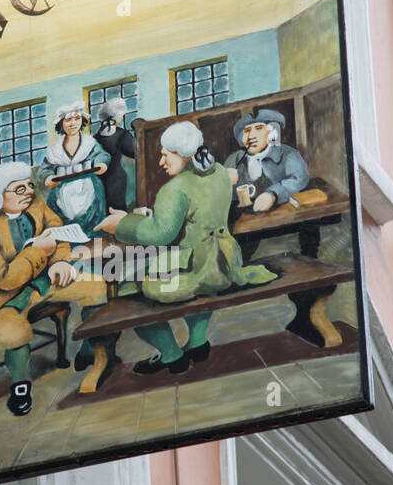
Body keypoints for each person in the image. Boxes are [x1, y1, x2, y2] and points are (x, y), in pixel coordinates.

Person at [96, 121, 276, 375]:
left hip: (196, 271)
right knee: (191, 283)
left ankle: (171, 355)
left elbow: (161, 234)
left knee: (127, 287)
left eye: (165, 155)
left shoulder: (175, 189)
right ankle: (198, 342)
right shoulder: (220, 175)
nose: (161, 162)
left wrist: (121, 224)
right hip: (224, 266)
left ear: (181, 154)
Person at [0, 162, 108, 416]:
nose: (28, 192)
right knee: (11, 331)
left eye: (29, 186)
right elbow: (5, 279)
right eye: (18, 189)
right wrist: (38, 252)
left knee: (97, 286)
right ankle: (20, 386)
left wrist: (61, 262)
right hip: (2, 298)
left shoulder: (37, 206)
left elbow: (58, 232)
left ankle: (91, 348)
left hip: (43, 281)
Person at [38, 101, 109, 233]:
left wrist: (101, 163)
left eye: (77, 119)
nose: (73, 124)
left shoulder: (89, 143)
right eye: (68, 120)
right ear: (61, 124)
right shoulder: (55, 149)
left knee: (91, 225)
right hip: (62, 191)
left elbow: (102, 155)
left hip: (89, 187)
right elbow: (44, 169)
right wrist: (48, 177)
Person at [224, 107, 309, 212]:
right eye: (247, 131)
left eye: (259, 128)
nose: (251, 136)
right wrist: (222, 180)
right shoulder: (233, 160)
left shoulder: (289, 154)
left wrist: (274, 194)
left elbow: (300, 178)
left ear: (272, 133)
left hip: (282, 214)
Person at [95, 97, 136, 211]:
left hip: (98, 180)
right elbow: (134, 152)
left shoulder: (95, 138)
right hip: (116, 178)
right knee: (117, 210)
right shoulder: (121, 134)